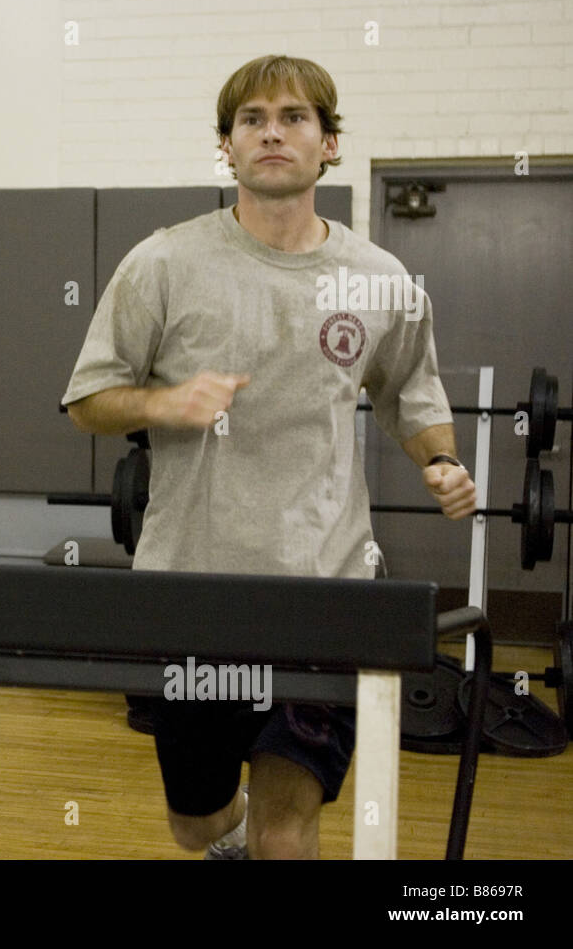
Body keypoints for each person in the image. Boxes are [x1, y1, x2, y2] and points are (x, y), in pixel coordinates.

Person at [62, 55, 476, 859]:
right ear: (228, 146)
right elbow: (88, 398)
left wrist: (441, 459)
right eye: (252, 120)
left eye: (293, 117)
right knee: (196, 827)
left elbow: (410, 393)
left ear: (328, 143)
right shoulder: (163, 264)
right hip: (192, 593)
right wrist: (161, 403)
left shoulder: (380, 278)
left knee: (286, 834)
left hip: (325, 593)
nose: (273, 133)